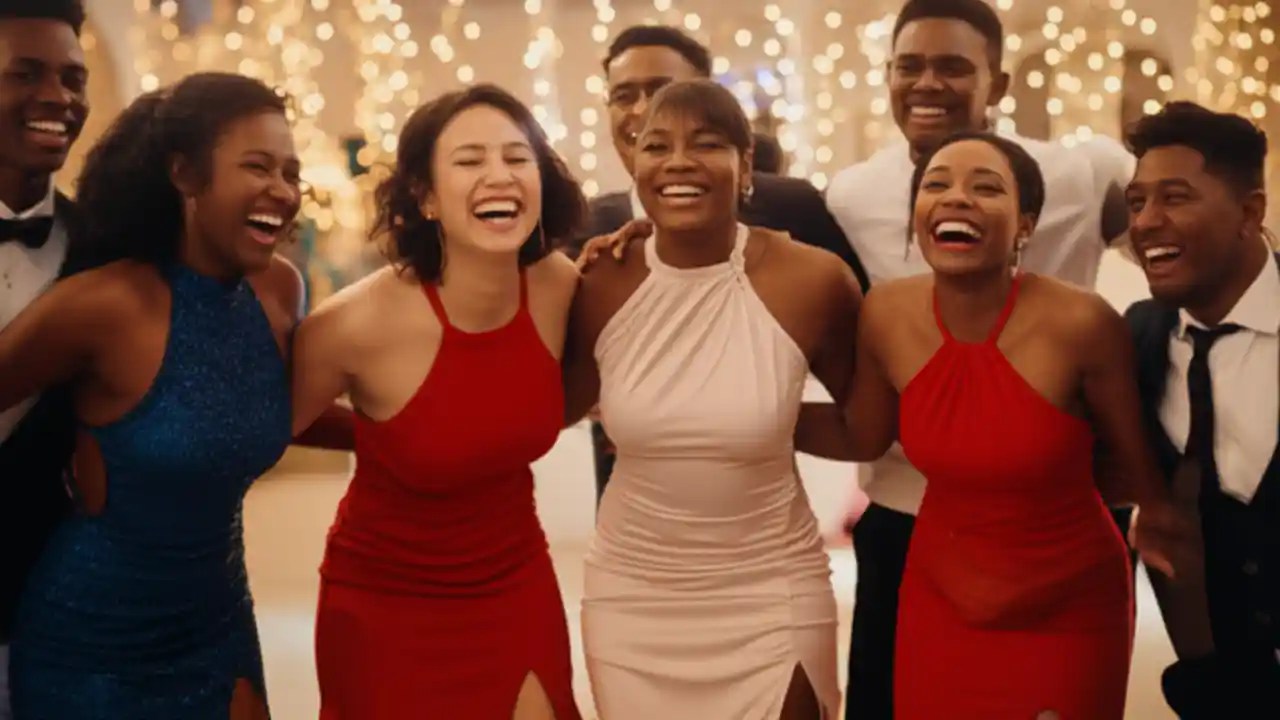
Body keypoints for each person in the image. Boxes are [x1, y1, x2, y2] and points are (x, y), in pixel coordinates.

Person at [798, 130, 1186, 718]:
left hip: (1068, 606)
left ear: (1025, 225)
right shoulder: (885, 313)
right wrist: (740, 421)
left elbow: (1138, 476)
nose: (957, 198)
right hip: (940, 599)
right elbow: (864, 435)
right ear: (916, 218)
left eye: (986, 188)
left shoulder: (1082, 322)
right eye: (936, 185)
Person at [819, 2, 1136, 715]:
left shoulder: (1083, 173)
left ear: (998, 82)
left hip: (1056, 518)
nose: (927, 83)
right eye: (910, 66)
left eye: (954, 66)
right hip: (911, 512)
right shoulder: (850, 193)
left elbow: (1179, 243)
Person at [0, 71, 309, 718]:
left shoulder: (280, 291)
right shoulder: (106, 304)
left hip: (220, 618)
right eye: (257, 166)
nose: (281, 191)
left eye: (290, 171)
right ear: (185, 176)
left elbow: (288, 409)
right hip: (89, 644)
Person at [562, 78, 861, 720]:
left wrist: (763, 423)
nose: (677, 162)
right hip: (633, 596)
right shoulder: (599, 279)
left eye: (707, 144)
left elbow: (863, 428)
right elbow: (553, 408)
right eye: (655, 146)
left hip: (772, 589)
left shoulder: (813, 279)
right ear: (634, 165)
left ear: (747, 164)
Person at [293, 84, 585, 720]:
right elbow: (255, 428)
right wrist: (382, 434)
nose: (499, 176)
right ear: (424, 197)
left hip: (516, 580)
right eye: (470, 160)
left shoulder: (562, 287)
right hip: (385, 600)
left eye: (517, 157)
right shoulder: (353, 325)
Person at [572, 24, 870, 508]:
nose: (642, 110)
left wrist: (755, 418)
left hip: (759, 510)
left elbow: (860, 336)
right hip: (631, 512)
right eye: (624, 95)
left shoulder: (792, 209)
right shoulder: (591, 232)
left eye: (664, 91)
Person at [1122, 102, 1280, 717]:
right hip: (1224, 688)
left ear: (1250, 212)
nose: (1147, 222)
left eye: (1176, 198)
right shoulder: (1138, 336)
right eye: (1136, 203)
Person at [0, 2, 88, 716]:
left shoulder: (107, 248)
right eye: (25, 74)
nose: (58, 97)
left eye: (72, 77)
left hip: (50, 610)